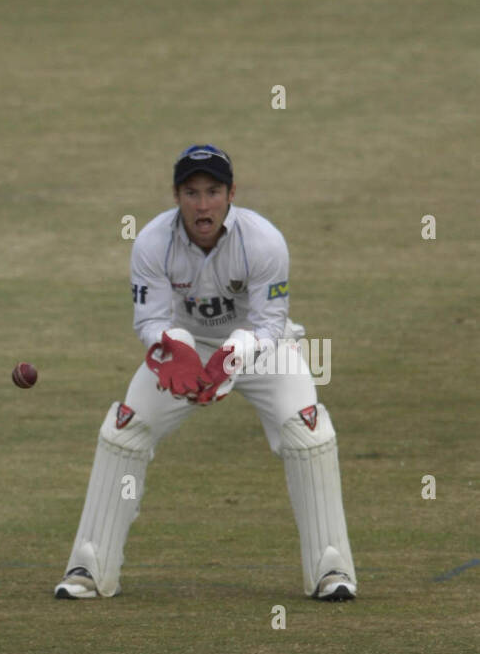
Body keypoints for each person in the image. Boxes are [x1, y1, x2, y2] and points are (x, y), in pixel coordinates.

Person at [54, 144, 356, 601]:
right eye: (191, 192)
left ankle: (332, 571)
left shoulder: (264, 241)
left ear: (231, 193)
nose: (202, 204)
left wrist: (233, 355)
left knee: (308, 433)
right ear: (176, 195)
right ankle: (89, 568)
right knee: (125, 430)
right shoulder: (152, 242)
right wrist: (176, 349)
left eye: (212, 191)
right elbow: (149, 320)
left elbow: (272, 324)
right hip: (184, 351)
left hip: (258, 347)